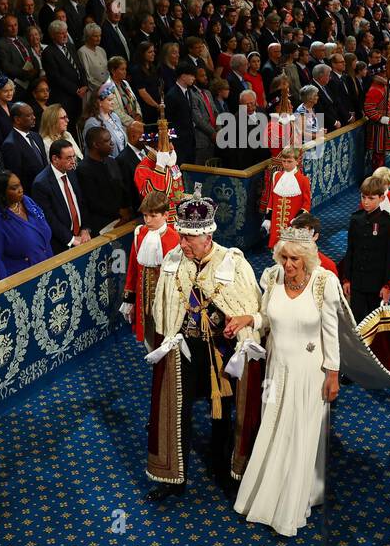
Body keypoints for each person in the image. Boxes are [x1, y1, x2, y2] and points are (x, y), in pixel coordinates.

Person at [144, 196, 262, 500]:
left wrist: (237, 324)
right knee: (176, 409)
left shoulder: (233, 262)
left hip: (220, 351)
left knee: (221, 413)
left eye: (189, 237)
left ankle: (225, 470)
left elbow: (248, 304)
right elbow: (163, 307)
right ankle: (173, 478)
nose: (183, 243)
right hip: (182, 350)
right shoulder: (172, 261)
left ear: (207, 236)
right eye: (181, 235)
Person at [232, 226, 342, 536]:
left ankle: (292, 506)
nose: (289, 264)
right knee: (274, 429)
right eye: (285, 257)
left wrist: (333, 373)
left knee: (299, 437)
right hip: (277, 370)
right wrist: (248, 319)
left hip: (310, 373)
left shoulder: (324, 283)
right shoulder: (274, 278)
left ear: (307, 258)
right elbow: (267, 317)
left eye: (295, 258)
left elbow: (331, 333)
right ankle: (266, 498)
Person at [119, 190, 181, 344]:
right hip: (143, 301)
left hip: (166, 302)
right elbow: (133, 268)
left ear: (166, 215)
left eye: (153, 216)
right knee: (149, 340)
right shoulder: (139, 234)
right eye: (145, 215)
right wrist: (129, 300)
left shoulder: (175, 239)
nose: (148, 220)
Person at [339, 175, 390, 323]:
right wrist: (346, 279)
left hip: (377, 284)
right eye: (363, 197)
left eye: (371, 198)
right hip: (357, 282)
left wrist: (388, 285)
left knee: (375, 324)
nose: (366, 202)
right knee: (356, 322)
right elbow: (350, 251)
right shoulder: (355, 219)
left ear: (381, 198)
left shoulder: (388, 222)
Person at [0, 169, 53, 280]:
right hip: (22, 277)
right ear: (1, 191)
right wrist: (5, 288)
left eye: (20, 185)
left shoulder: (27, 201)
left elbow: (43, 234)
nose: (20, 190)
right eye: (14, 188)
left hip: (47, 265)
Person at [32, 139, 90, 253]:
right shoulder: (41, 184)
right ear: (55, 159)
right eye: (68, 158)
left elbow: (81, 202)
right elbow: (49, 218)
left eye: (73, 157)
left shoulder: (72, 172)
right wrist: (71, 239)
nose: (73, 161)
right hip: (61, 244)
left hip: (82, 236)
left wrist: (85, 228)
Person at [76, 125, 129, 233]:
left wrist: (126, 208)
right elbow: (93, 202)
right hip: (103, 224)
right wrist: (118, 212)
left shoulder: (112, 161)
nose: (112, 143)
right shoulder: (83, 169)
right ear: (96, 145)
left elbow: (122, 188)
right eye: (107, 141)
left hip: (125, 217)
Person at [261, 146, 311, 249]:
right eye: (284, 161)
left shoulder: (303, 180)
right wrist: (268, 218)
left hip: (292, 222)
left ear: (297, 161)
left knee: (291, 250)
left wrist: (297, 219)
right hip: (276, 222)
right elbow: (272, 198)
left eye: (289, 161)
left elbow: (306, 204)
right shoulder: (277, 176)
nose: (286, 164)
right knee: (276, 250)